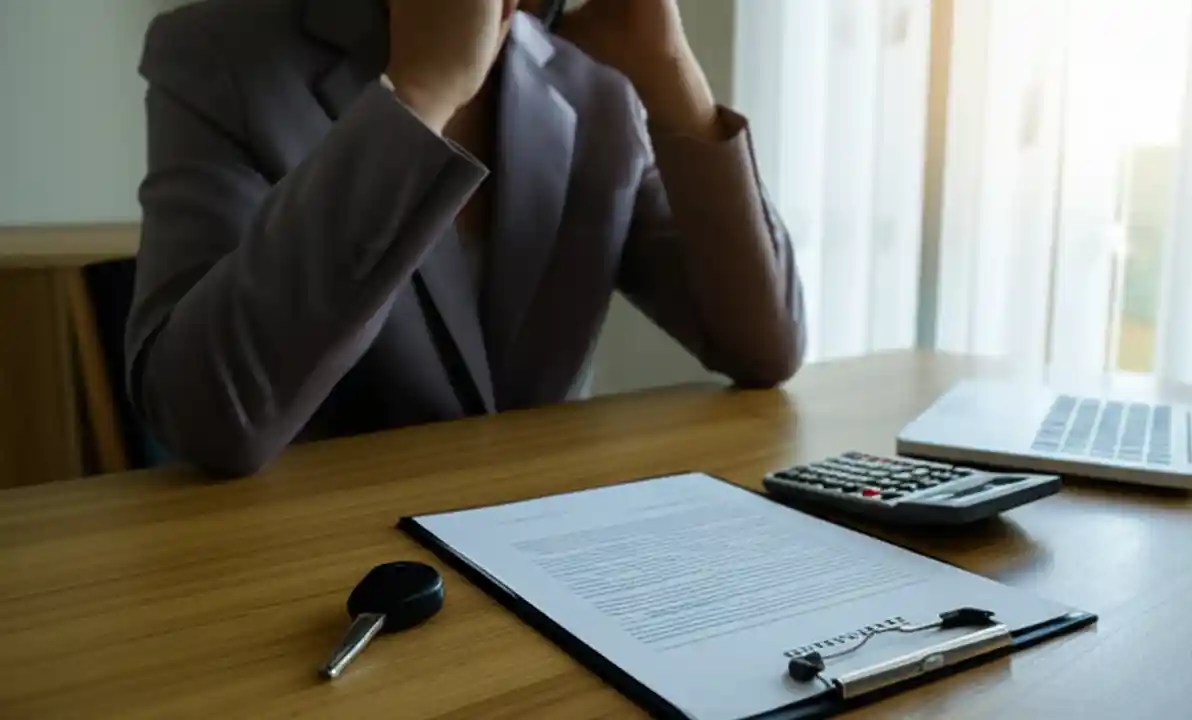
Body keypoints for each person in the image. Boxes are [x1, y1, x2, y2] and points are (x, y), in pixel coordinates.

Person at [126, 0, 805, 477]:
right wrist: (421, 94)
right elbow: (206, 419)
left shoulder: (593, 74)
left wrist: (671, 73)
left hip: (547, 559)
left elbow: (763, 347)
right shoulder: (219, 54)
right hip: (313, 573)